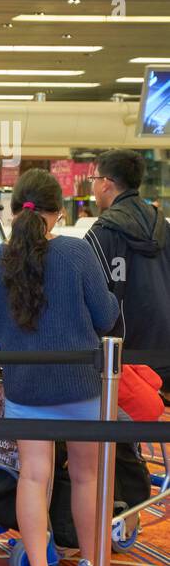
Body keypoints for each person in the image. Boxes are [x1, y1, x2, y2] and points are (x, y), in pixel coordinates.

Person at [0, 169, 119, 566]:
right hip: (81, 384)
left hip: (25, 385)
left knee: (34, 476)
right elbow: (107, 317)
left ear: (14, 207)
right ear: (58, 211)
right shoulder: (76, 253)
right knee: (87, 475)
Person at [85, 149, 170, 389]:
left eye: (94, 180)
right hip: (165, 356)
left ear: (106, 184)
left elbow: (92, 304)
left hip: (125, 364)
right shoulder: (163, 227)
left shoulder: (101, 233)